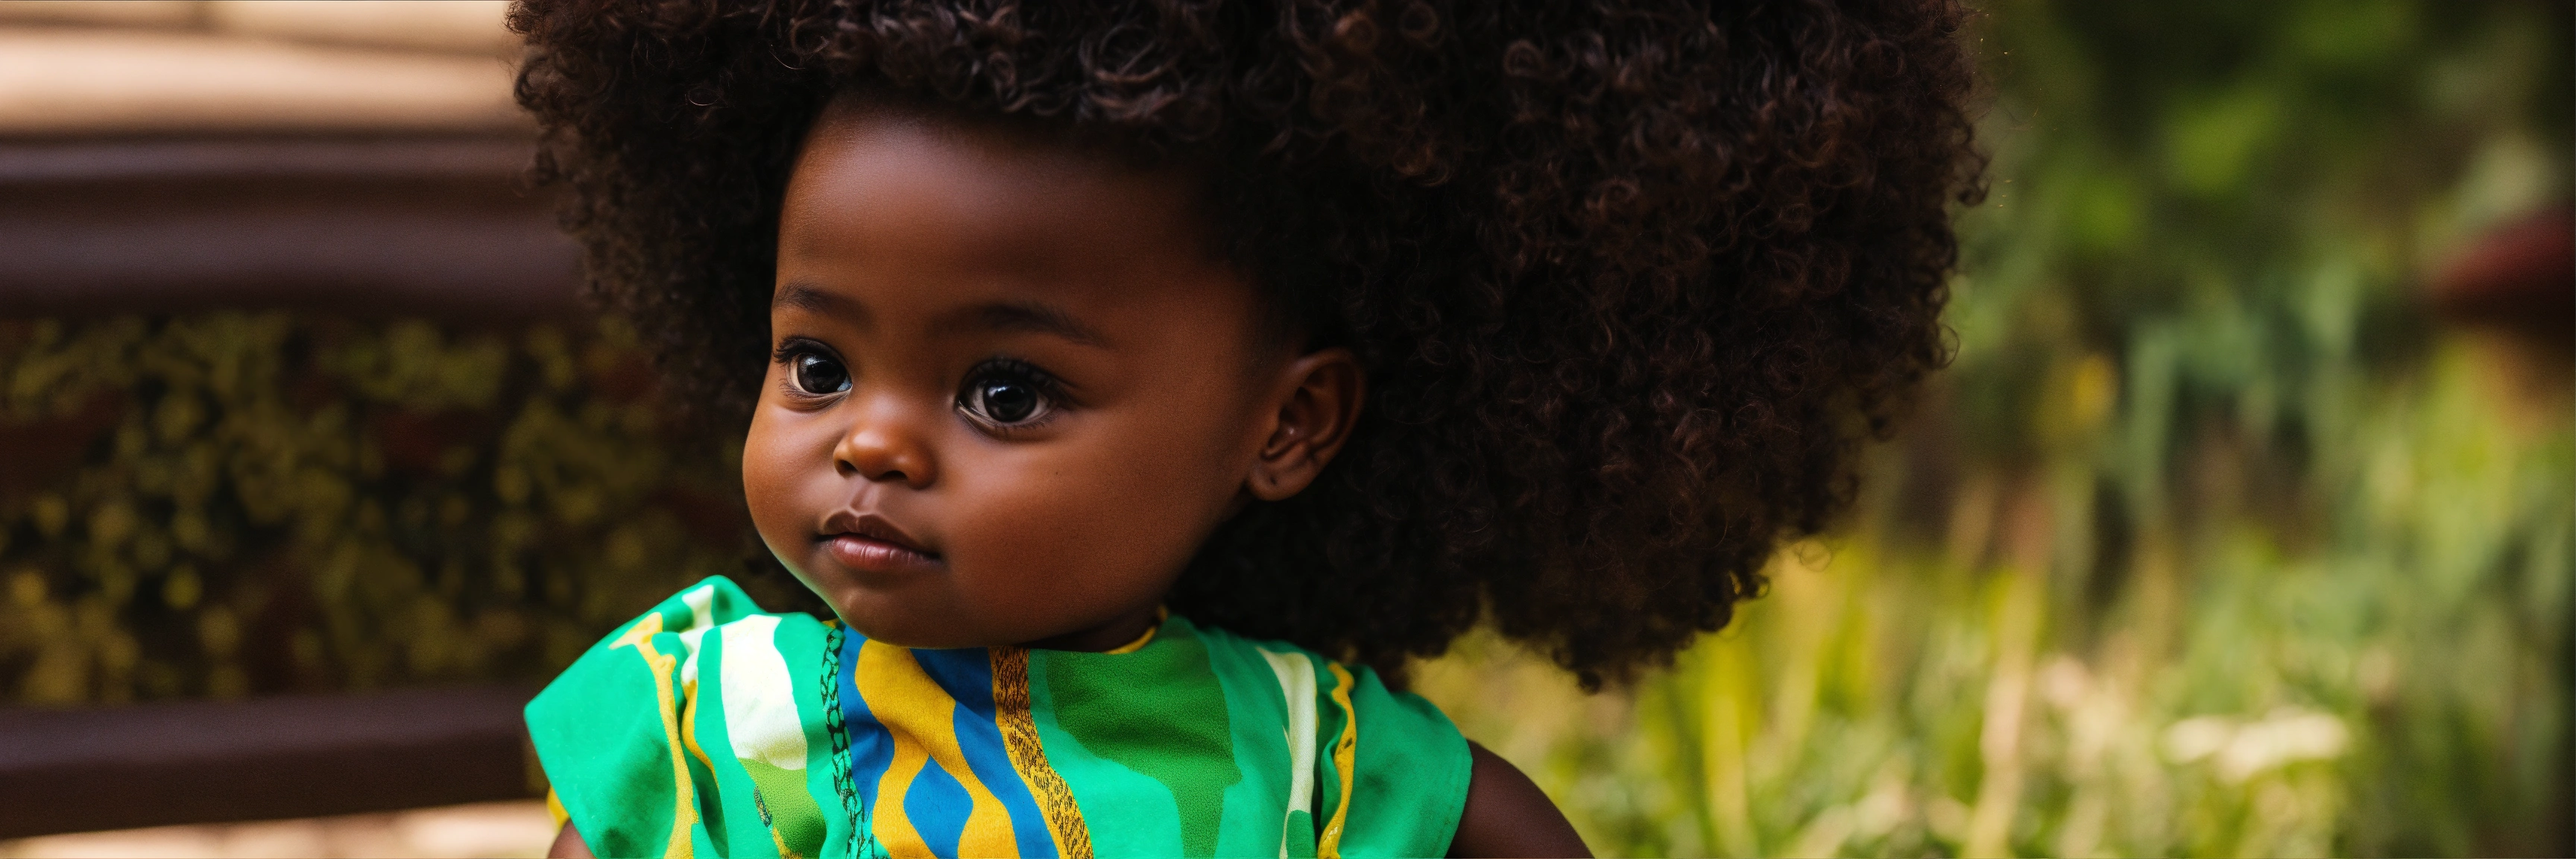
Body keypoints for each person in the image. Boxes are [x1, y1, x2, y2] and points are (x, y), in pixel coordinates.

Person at [509, 1, 1980, 856]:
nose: (874, 442)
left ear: (1289, 428)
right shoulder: (708, 711)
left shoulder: (1303, 746)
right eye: (817, 364)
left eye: (1004, 394)